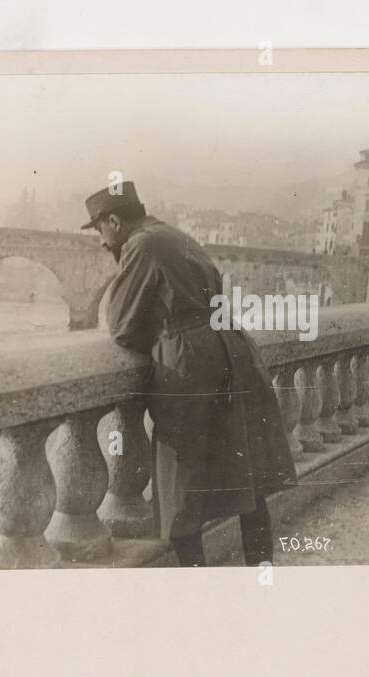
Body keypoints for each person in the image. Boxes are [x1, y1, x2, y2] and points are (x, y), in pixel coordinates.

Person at [81, 182, 297, 567]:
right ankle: (262, 577)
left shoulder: (141, 245)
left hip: (190, 362)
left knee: (177, 486)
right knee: (245, 475)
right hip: (231, 349)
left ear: (114, 221)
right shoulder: (173, 234)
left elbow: (121, 325)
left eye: (100, 230)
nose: (101, 241)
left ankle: (196, 584)